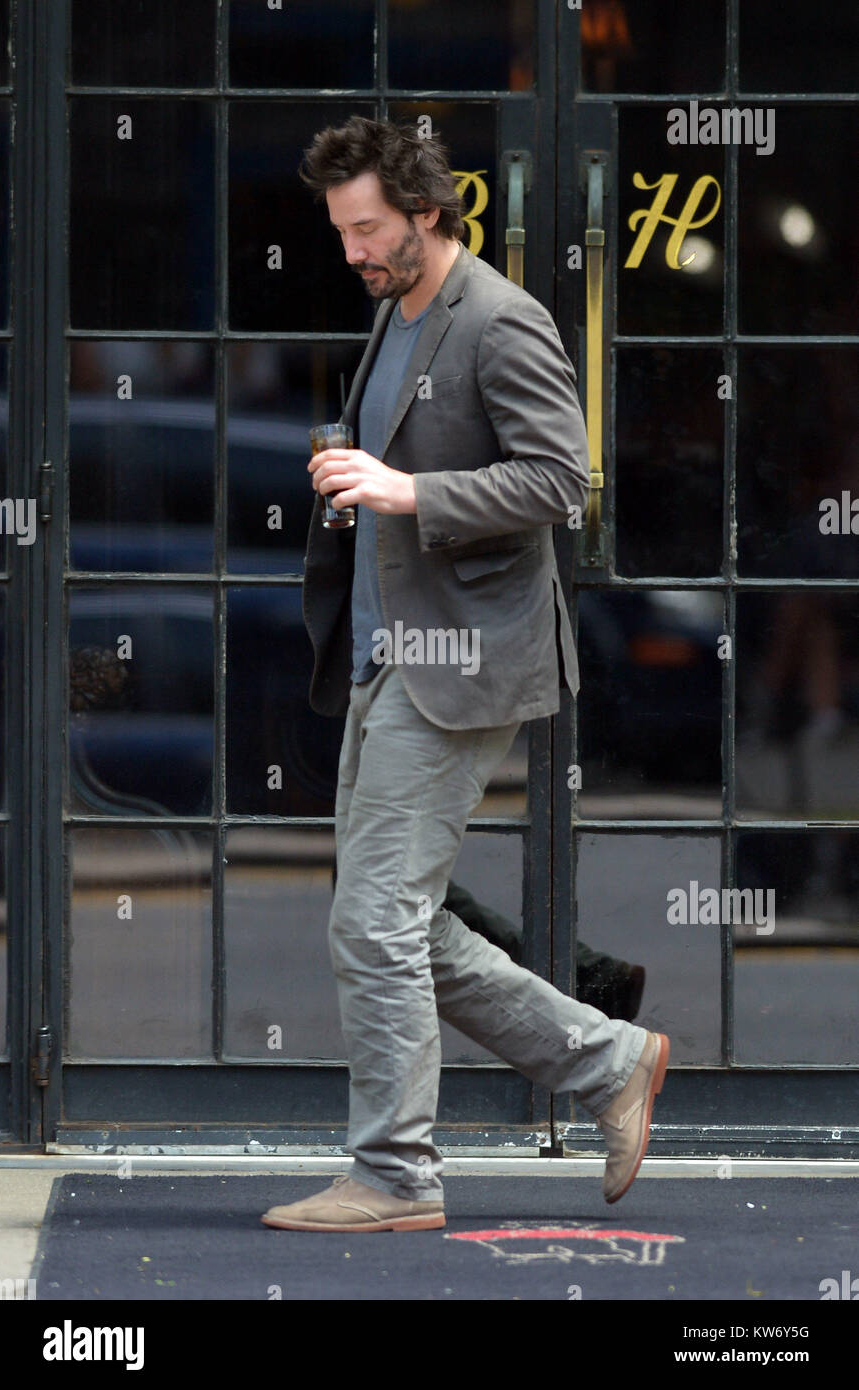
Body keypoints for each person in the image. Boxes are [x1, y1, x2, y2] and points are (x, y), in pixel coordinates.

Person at [261, 117, 669, 1234]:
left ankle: (395, 1176)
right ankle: (608, 1061)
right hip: (388, 659)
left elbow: (555, 480)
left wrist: (403, 493)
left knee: (377, 920)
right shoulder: (394, 312)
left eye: (368, 229)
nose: (352, 250)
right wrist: (355, 473)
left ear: (427, 213)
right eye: (341, 230)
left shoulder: (499, 318)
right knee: (383, 918)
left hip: (459, 664)